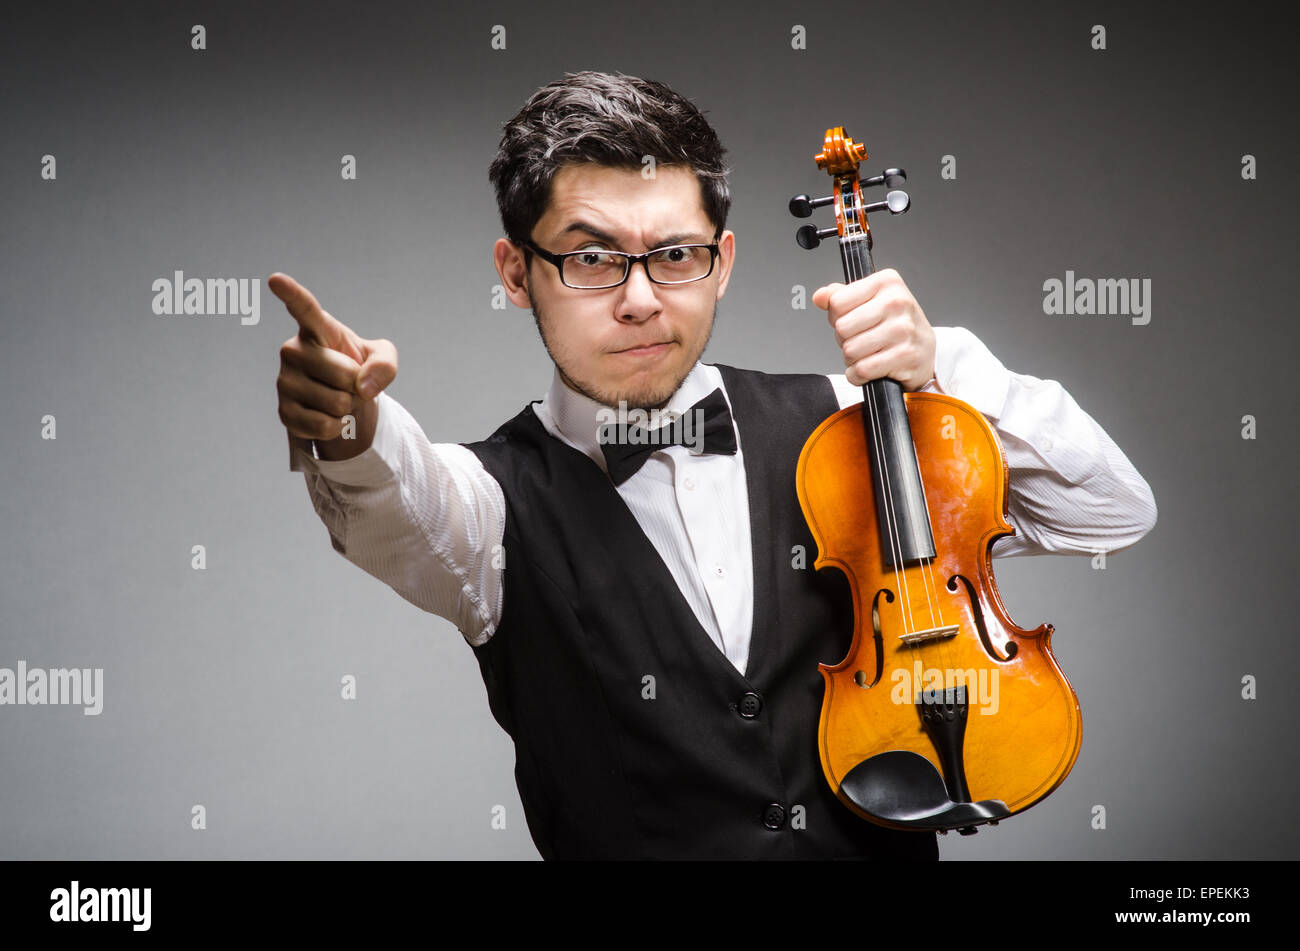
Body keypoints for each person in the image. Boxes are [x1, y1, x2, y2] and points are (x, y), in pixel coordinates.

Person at [272, 71, 1156, 860]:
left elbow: (1113, 510)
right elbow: (400, 499)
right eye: (590, 258)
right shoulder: (492, 508)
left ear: (722, 263)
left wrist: (943, 370)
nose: (641, 299)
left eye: (675, 255)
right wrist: (352, 424)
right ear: (515, 271)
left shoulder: (853, 430)